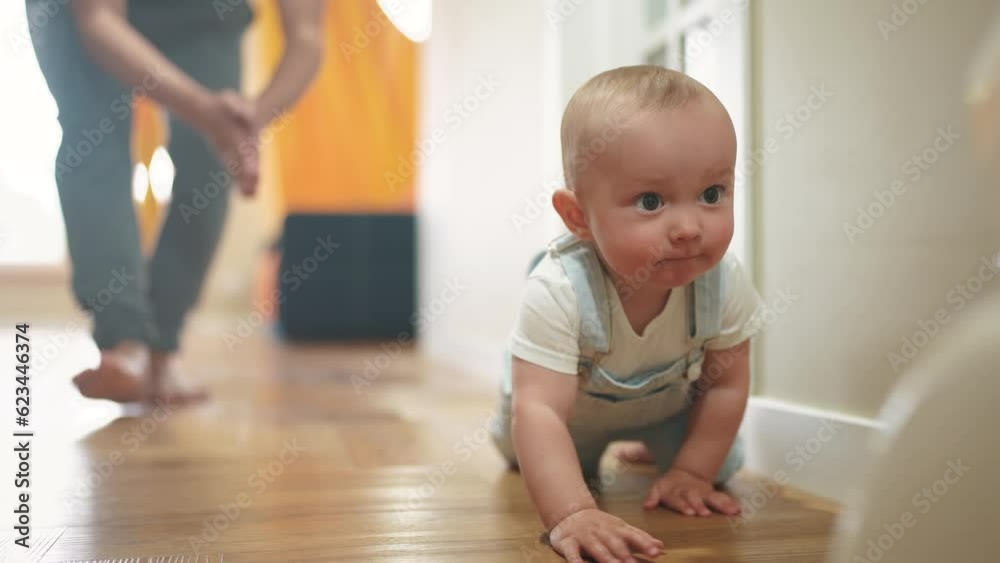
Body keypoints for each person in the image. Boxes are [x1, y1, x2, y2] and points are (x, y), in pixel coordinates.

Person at [489, 65, 765, 562]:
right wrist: (572, 511)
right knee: (526, 452)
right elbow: (542, 411)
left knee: (722, 463)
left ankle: (661, 451)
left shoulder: (723, 283)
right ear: (578, 218)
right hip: (564, 418)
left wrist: (694, 472)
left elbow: (725, 384)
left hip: (666, 407)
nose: (687, 228)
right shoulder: (559, 289)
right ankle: (568, 450)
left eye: (711, 194)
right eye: (651, 201)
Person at [26, 0, 326, 404]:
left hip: (201, 13)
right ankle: (124, 343)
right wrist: (204, 110)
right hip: (82, 13)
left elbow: (307, 37)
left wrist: (247, 121)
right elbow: (97, 20)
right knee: (92, 138)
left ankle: (160, 351)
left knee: (211, 160)